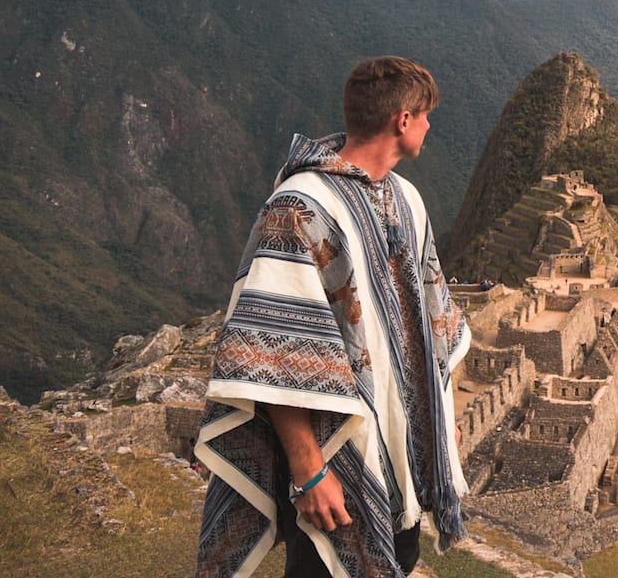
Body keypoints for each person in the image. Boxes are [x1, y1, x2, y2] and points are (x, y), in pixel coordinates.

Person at [196, 57, 471, 577]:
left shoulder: (406, 199)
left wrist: (442, 417)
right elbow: (274, 355)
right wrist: (308, 469)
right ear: (403, 120)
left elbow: (435, 317)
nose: (431, 126)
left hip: (405, 452)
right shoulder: (299, 209)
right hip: (336, 461)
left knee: (399, 559)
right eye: (427, 115)